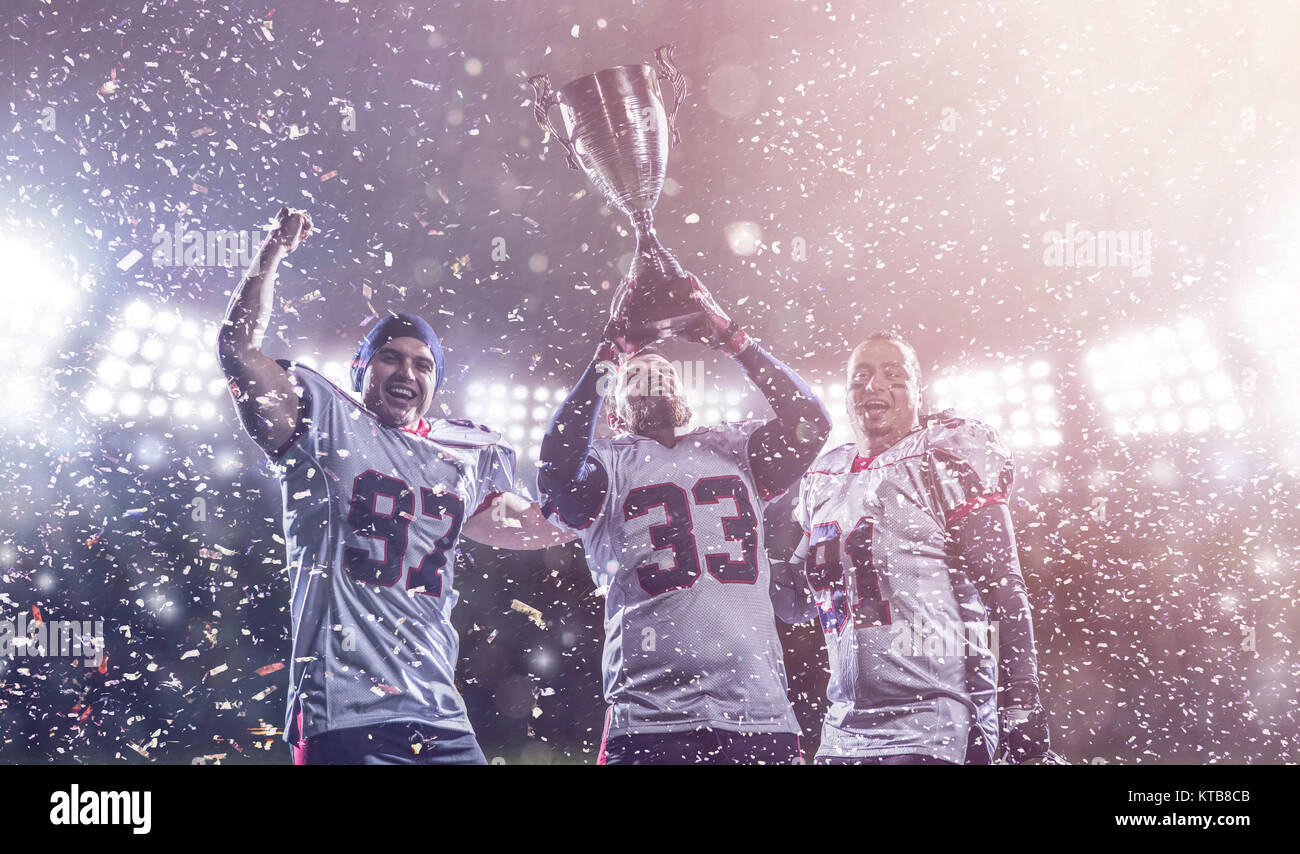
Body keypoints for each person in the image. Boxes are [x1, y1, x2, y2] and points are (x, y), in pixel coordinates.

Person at [217, 206, 572, 765]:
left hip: (439, 714)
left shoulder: (460, 454)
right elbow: (238, 351)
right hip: (343, 709)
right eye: (390, 358)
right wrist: (271, 255)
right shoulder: (324, 420)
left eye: (423, 365)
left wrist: (600, 504)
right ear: (361, 368)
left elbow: (529, 525)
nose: (407, 373)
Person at [537, 280, 831, 764]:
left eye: (664, 373)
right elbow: (555, 474)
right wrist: (607, 356)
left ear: (687, 393)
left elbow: (811, 424)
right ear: (613, 407)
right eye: (636, 376)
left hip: (758, 716)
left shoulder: (735, 449)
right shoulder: (606, 467)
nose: (653, 379)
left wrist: (733, 339)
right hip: (651, 720)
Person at [772, 332, 1055, 764]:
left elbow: (1004, 586)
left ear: (920, 395)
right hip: (843, 728)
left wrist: (1022, 698)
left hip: (934, 722)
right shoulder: (824, 478)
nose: (874, 385)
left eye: (894, 374)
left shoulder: (943, 456)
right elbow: (795, 603)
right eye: (860, 377)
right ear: (847, 397)